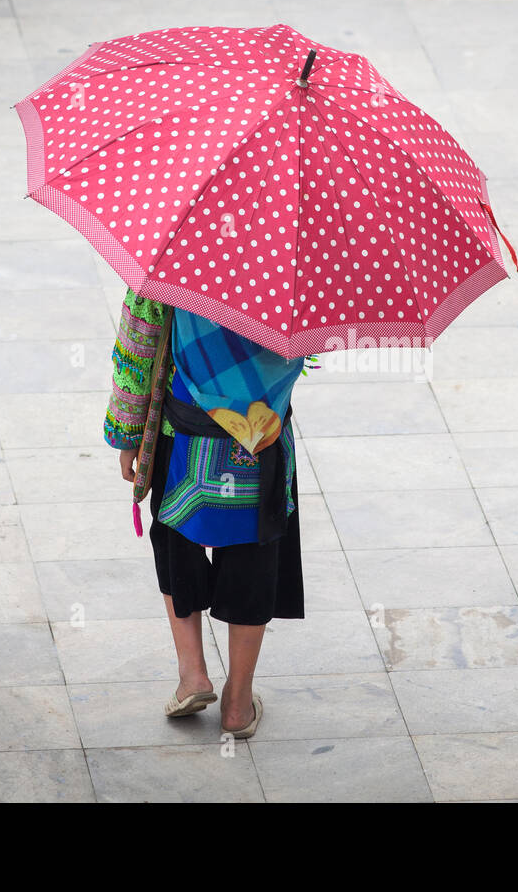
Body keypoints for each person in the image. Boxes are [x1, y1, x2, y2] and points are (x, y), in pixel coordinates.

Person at [104, 290, 309, 738]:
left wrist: (126, 435)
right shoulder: (300, 262)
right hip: (262, 441)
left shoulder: (176, 252)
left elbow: (137, 347)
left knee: (177, 542)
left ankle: (192, 675)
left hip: (184, 436)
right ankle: (237, 706)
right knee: (253, 560)